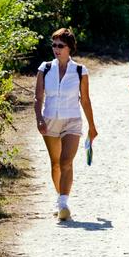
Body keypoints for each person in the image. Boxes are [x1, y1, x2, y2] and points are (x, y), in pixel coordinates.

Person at [34, 27, 98, 221]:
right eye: (54, 45)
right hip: (50, 120)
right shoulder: (45, 68)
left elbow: (85, 100)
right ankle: (59, 198)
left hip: (72, 120)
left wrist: (92, 127)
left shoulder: (80, 71)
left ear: (70, 47)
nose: (56, 49)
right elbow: (38, 97)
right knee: (55, 164)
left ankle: (63, 203)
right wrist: (39, 118)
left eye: (60, 45)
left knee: (66, 161)